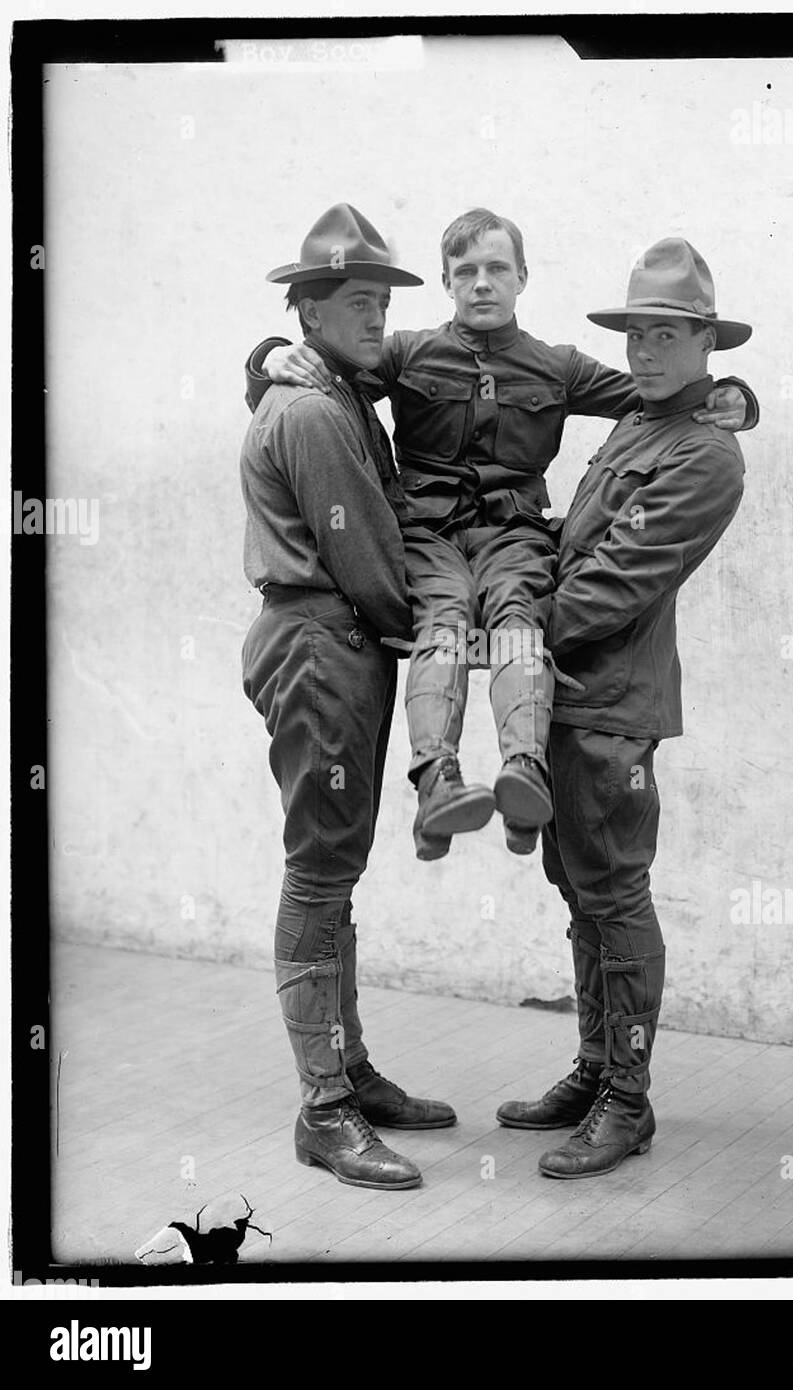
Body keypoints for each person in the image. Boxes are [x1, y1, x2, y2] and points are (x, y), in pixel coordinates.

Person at [245, 209, 759, 860]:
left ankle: (524, 773)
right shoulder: (406, 354)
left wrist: (734, 394)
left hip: (515, 535)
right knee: (443, 620)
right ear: (445, 282)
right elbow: (327, 373)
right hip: (429, 537)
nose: (482, 283)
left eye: (496, 269)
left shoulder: (558, 367)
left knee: (521, 617)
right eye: (466, 272)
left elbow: (655, 391)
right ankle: (437, 781)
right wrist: (268, 357)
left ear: (522, 277)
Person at [496, 239, 752, 1179]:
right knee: (576, 888)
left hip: (615, 708)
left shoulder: (705, 455)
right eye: (635, 333)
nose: (643, 351)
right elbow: (583, 539)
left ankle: (628, 1099)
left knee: (616, 894)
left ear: (705, 343)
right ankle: (595, 1066)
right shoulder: (637, 424)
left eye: (666, 334)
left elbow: (616, 582)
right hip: (566, 698)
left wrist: (519, 631)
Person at [239, 203, 456, 1193]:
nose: (375, 317)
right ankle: (324, 1110)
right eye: (355, 301)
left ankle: (349, 1072)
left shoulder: (335, 385)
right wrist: (453, 633)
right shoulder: (320, 410)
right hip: (326, 641)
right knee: (319, 875)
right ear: (310, 311)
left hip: (339, 645)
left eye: (381, 299)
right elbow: (371, 563)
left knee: (335, 870)